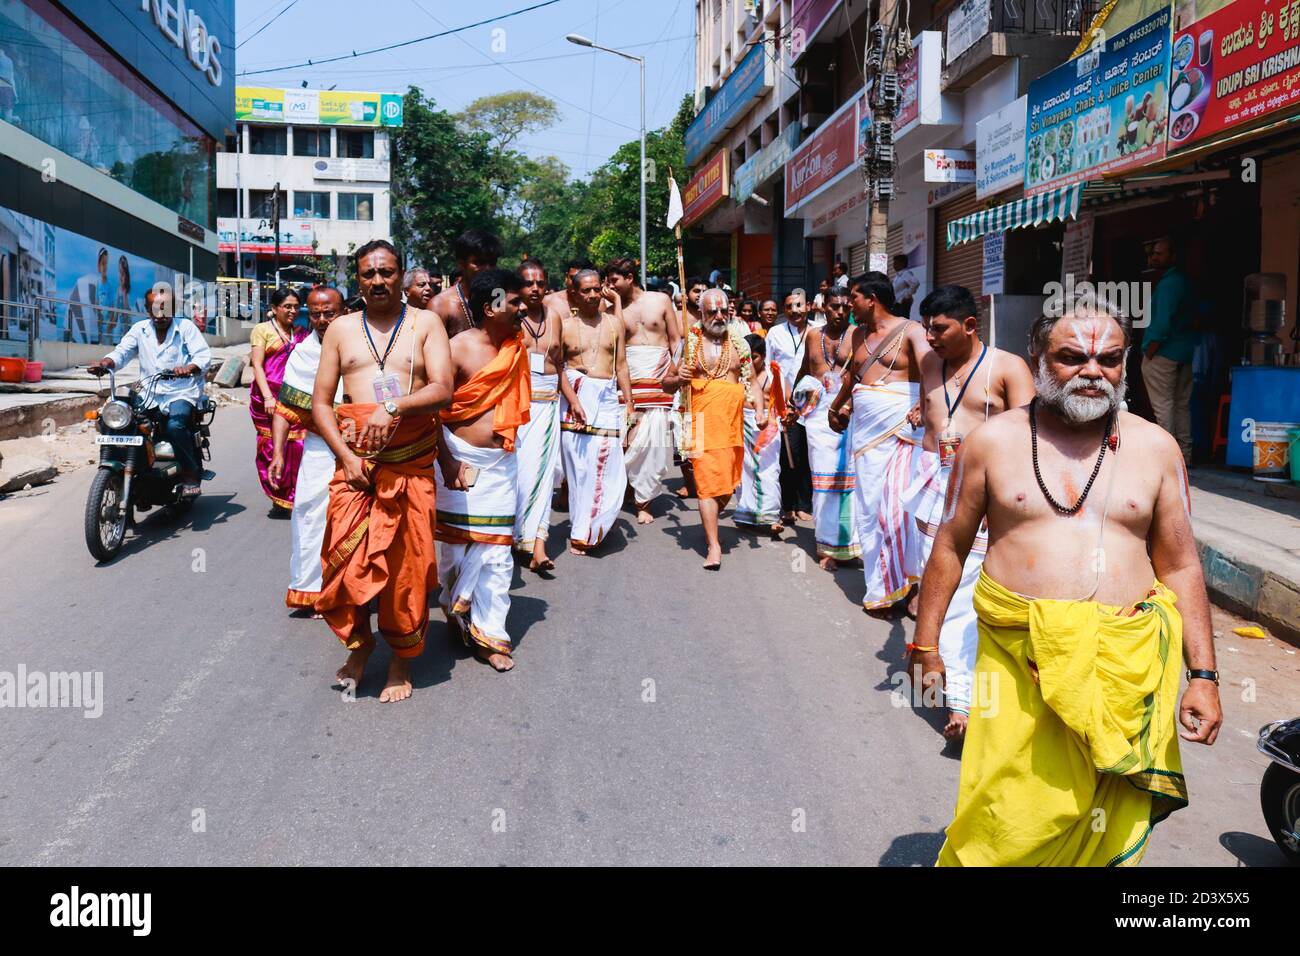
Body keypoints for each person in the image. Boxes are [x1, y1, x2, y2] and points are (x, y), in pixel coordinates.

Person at [923, 290, 1221, 867]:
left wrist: (1203, 675)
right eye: (1072, 358)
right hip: (1018, 661)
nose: (1092, 372)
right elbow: (949, 545)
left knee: (1101, 824)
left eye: (1109, 359)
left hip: (1126, 666)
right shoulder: (992, 441)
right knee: (1006, 814)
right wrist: (925, 643)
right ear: (1038, 357)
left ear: (1125, 362)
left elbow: (1181, 566)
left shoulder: (1157, 449)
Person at [312, 240, 454, 704]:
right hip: (355, 469)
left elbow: (443, 389)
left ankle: (400, 659)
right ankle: (360, 645)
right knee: (346, 560)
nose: (378, 281)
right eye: (369, 274)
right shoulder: (339, 329)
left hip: (409, 465)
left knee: (404, 569)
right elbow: (321, 403)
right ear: (358, 279)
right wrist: (347, 458)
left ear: (401, 274)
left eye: (387, 272)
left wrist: (391, 406)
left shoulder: (425, 323)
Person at [902, 284, 1035, 739]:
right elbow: (928, 425)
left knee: (964, 594)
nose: (930, 336)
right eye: (926, 327)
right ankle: (933, 660)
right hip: (934, 487)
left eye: (939, 328)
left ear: (970, 325)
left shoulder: (1008, 367)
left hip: (986, 493)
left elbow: (1030, 435)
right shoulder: (928, 363)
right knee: (936, 585)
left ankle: (962, 700)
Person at [436, 269, 532, 672]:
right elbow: (431, 414)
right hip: (458, 461)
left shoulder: (516, 347)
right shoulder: (455, 349)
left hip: (501, 464)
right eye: (514, 300)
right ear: (492, 305)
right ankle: (457, 611)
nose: (523, 307)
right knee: (455, 551)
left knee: (496, 553)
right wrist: (448, 460)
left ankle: (490, 633)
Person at [829, 272, 930, 616]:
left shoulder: (912, 331)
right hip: (867, 436)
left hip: (903, 432)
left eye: (854, 297)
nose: (848, 304)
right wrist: (837, 405)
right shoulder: (857, 334)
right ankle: (883, 588)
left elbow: (934, 370)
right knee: (871, 508)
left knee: (902, 509)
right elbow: (852, 376)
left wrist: (923, 405)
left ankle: (914, 586)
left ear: (871, 298)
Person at [88, 284, 210, 497]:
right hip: (149, 392)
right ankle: (118, 466)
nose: (160, 314)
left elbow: (202, 356)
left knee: (175, 426)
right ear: (146, 309)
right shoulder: (139, 329)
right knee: (116, 420)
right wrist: (105, 363)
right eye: (154, 308)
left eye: (165, 308)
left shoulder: (186, 328)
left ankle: (190, 472)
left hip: (180, 391)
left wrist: (188, 368)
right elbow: (122, 352)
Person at [270, 286, 346, 614]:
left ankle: (352, 586)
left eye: (329, 312)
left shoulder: (363, 345)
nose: (322, 319)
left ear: (344, 311)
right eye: (315, 313)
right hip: (320, 447)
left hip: (363, 447)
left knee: (357, 518)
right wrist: (278, 453)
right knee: (311, 514)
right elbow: (286, 409)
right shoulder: (303, 353)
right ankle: (311, 589)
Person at [559, 269, 634, 554]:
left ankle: (596, 523)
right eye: (585, 291)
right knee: (579, 468)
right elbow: (556, 367)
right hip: (576, 399)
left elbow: (622, 365)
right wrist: (573, 385)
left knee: (609, 463)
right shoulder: (565, 326)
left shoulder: (615, 324)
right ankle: (584, 529)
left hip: (606, 400)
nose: (592, 295)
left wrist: (628, 402)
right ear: (575, 294)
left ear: (602, 289)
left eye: (595, 289)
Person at [513, 259, 579, 571]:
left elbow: (560, 365)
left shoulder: (555, 317)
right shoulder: (510, 317)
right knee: (521, 476)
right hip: (519, 407)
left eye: (540, 283)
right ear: (519, 287)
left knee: (544, 476)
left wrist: (573, 400)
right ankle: (515, 536)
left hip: (549, 405)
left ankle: (537, 545)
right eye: (528, 283)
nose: (535, 288)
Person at [606, 257, 681, 524]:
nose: (609, 285)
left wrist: (676, 368)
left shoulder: (660, 299)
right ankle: (625, 489)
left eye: (614, 280)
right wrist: (614, 303)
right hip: (627, 376)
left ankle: (643, 502)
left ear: (629, 277)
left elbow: (676, 339)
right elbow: (614, 339)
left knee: (653, 443)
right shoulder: (610, 307)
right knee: (626, 439)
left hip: (660, 375)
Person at [680, 288, 749, 569]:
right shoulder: (689, 344)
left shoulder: (739, 343)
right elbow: (668, 382)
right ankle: (714, 545)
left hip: (732, 423)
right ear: (701, 314)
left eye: (724, 311)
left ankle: (711, 519)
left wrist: (760, 409)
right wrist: (678, 376)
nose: (719, 317)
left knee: (728, 486)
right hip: (701, 422)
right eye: (712, 312)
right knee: (707, 486)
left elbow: (751, 379)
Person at [793, 288, 860, 569]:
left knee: (850, 480)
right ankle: (826, 546)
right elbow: (804, 371)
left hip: (849, 410)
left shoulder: (859, 334)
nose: (840, 312)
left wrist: (851, 404)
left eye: (845, 307)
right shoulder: (811, 335)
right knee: (822, 480)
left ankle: (849, 543)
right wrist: (791, 401)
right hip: (818, 414)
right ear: (823, 307)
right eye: (834, 307)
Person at [249, 286, 308, 514]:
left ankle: (295, 493)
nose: (292, 311)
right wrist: (267, 397)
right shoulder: (262, 330)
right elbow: (257, 365)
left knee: (297, 445)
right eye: (287, 306)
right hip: (268, 397)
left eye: (296, 306)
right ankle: (277, 491)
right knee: (271, 445)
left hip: (295, 397)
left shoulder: (301, 332)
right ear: (274, 309)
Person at [1142, 237, 1196, 464]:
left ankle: (1169, 459)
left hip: (1164, 353)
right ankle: (1184, 454)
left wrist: (1150, 351)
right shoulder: (1182, 281)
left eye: (1159, 253)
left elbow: (1161, 324)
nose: (1154, 257)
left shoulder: (1169, 284)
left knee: (1163, 407)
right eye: (1153, 253)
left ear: (1172, 256)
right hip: (1184, 352)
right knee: (1181, 405)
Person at [767, 290, 813, 523]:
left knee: (808, 454)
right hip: (784, 403)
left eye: (799, 305)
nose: (794, 310)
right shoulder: (775, 333)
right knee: (788, 454)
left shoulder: (817, 331)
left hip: (813, 403)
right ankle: (787, 504)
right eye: (789, 306)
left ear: (809, 306)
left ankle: (804, 504)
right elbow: (767, 366)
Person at [734, 334, 785, 537]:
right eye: (745, 356)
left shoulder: (773, 375)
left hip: (767, 428)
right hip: (741, 423)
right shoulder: (737, 375)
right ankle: (746, 514)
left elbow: (784, 400)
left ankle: (771, 517)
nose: (749, 361)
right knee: (744, 470)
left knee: (769, 470)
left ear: (763, 356)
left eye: (754, 357)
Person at [432, 229, 501, 338]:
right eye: (480, 263)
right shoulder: (440, 305)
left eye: (492, 263)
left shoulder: (499, 296)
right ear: (461, 264)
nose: (488, 269)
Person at [892, 254, 919, 320]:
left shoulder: (906, 274)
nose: (894, 265)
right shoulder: (897, 277)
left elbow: (915, 283)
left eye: (896, 263)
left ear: (902, 264)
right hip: (896, 305)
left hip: (902, 304)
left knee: (902, 323)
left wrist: (906, 296)